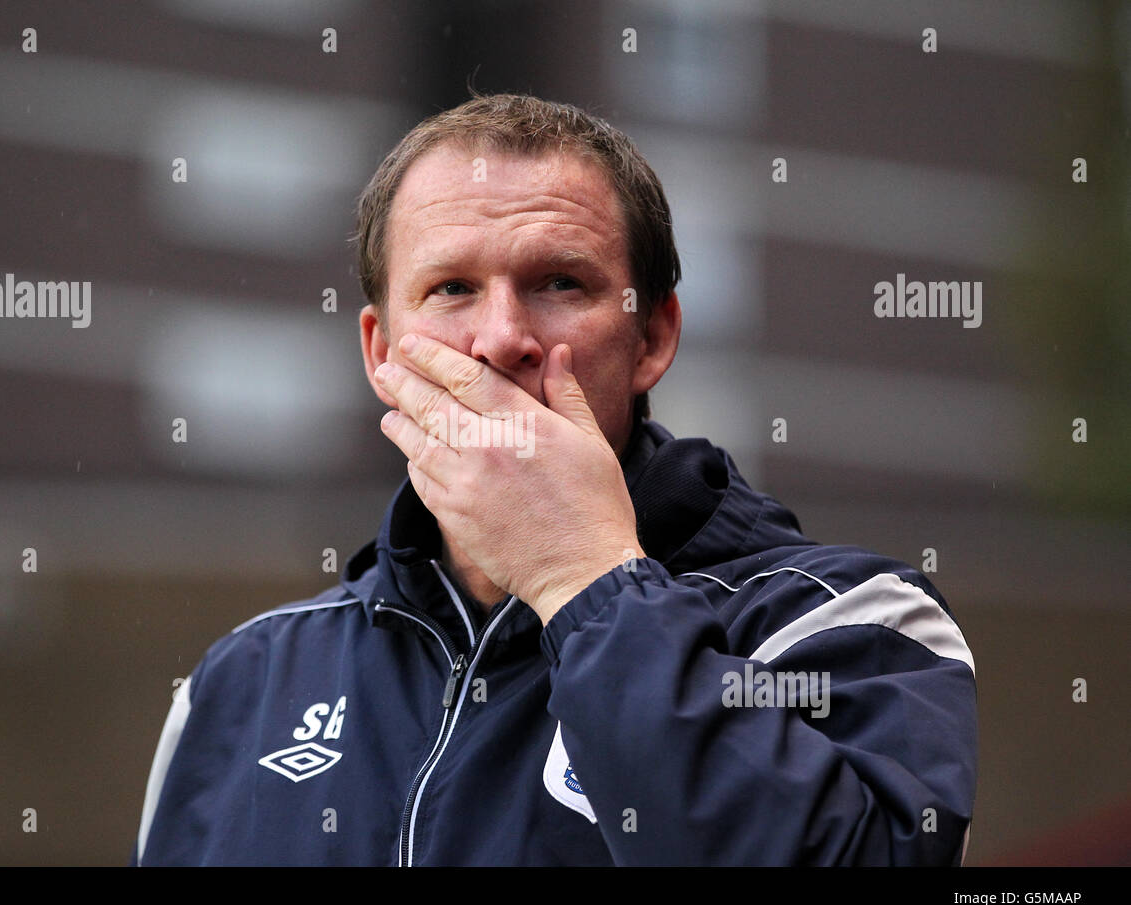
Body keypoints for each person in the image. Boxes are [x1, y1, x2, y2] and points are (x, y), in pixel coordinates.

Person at [132, 93, 977, 866]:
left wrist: (585, 580)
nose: (502, 337)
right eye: (453, 287)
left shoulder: (844, 623)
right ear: (380, 352)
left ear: (652, 337)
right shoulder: (240, 684)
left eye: (560, 282)